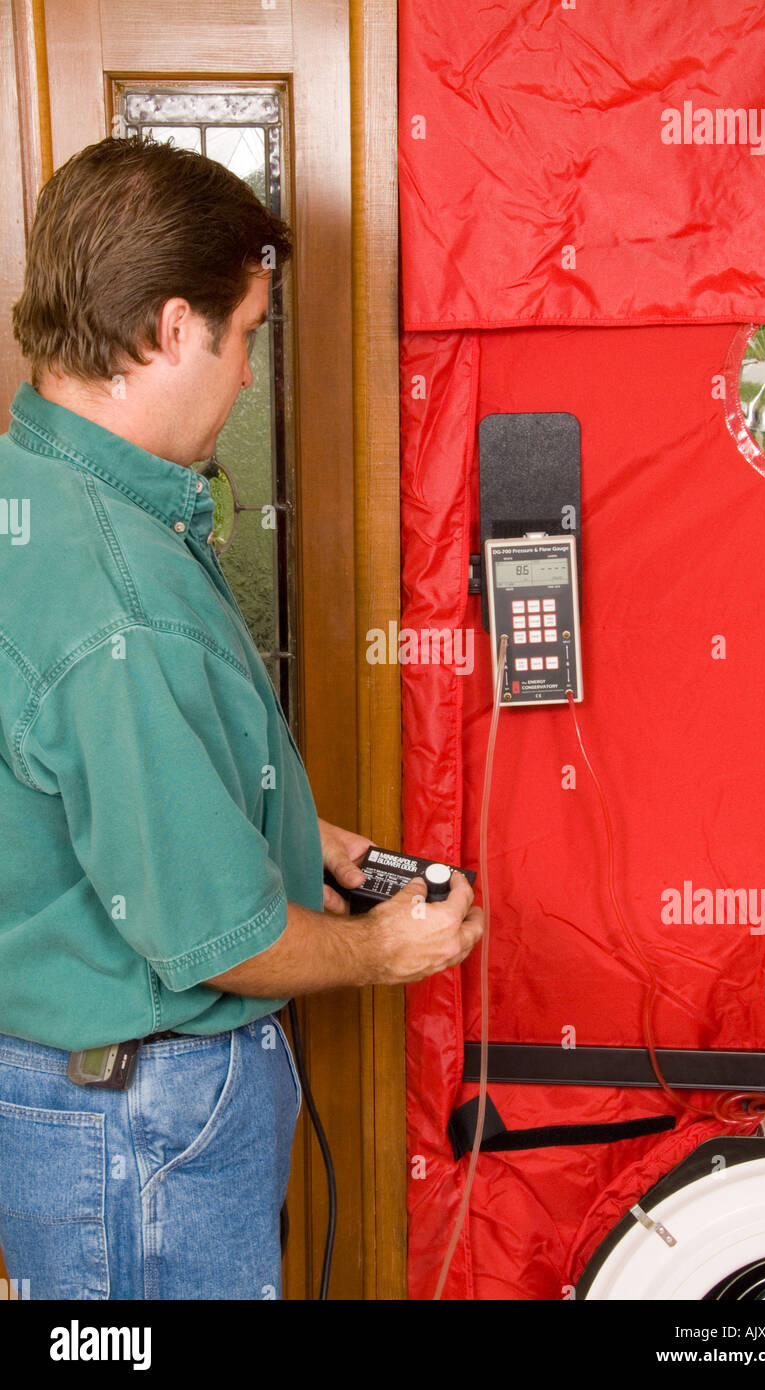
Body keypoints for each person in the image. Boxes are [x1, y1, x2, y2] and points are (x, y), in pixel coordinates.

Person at [0, 134, 483, 1300]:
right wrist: (386, 949)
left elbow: (87, 787)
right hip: (140, 1128)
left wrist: (290, 837)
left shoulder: (42, 492)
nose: (252, 374)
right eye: (249, 334)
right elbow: (217, 940)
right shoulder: (121, 605)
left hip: (88, 1105)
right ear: (173, 330)